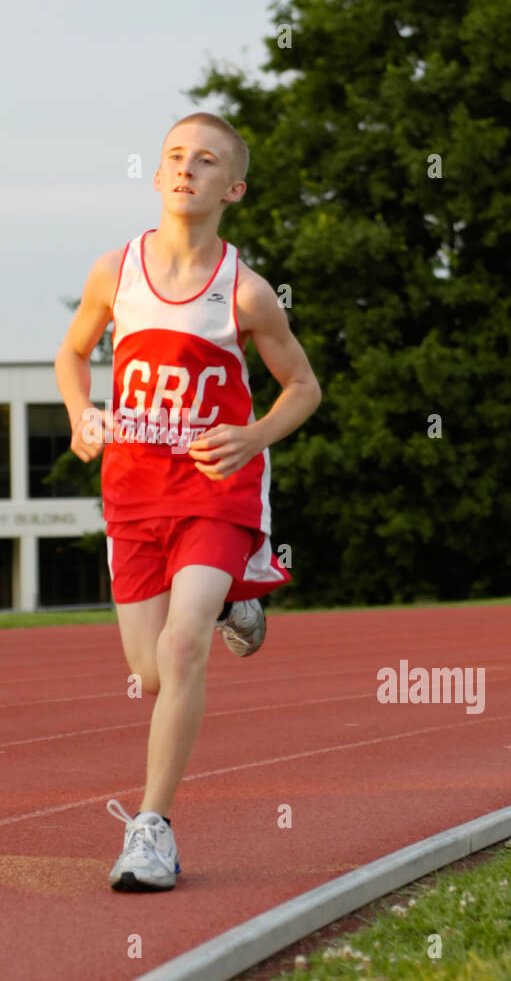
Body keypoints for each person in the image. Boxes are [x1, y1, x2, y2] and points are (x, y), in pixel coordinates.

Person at [54, 112, 321, 891]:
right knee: (148, 673)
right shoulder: (116, 272)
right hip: (132, 491)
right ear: (156, 173)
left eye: (204, 161)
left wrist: (255, 436)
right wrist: (80, 413)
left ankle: (152, 830)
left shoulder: (247, 293)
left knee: (182, 647)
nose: (185, 169)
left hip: (216, 485)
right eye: (174, 156)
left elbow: (303, 387)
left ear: (231, 188)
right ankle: (241, 596)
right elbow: (72, 353)